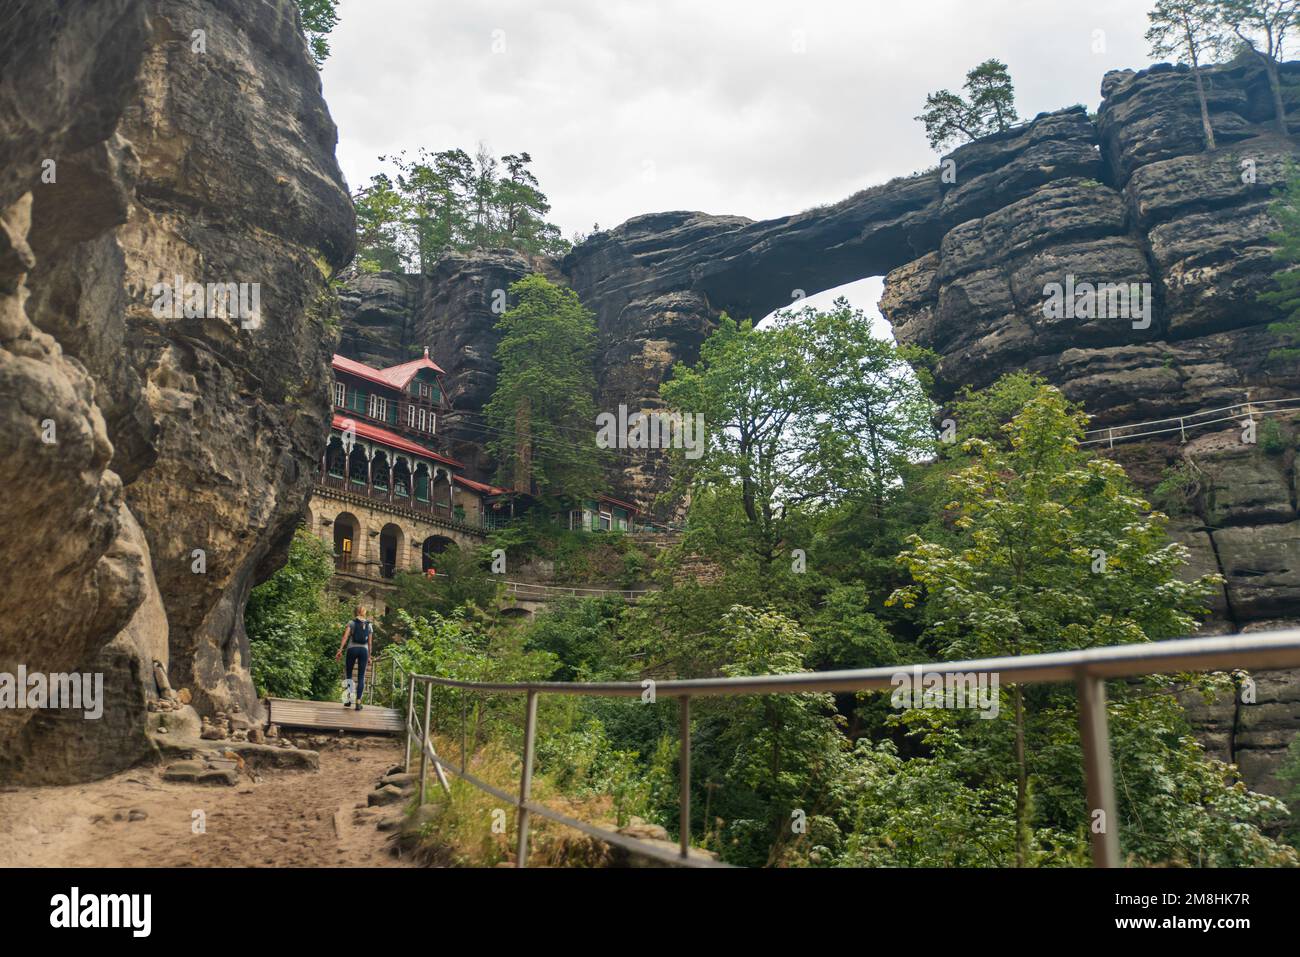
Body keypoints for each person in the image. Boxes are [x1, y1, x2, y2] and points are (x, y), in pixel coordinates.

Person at [335, 605, 373, 710]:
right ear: (364, 613)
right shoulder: (369, 625)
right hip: (364, 651)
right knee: (361, 676)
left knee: (349, 674)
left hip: (352, 649)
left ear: (355, 612)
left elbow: (345, 637)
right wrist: (369, 656)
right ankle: (358, 703)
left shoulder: (351, 623)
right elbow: (369, 643)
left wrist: (340, 650)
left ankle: (348, 700)